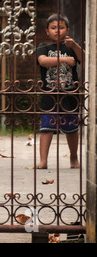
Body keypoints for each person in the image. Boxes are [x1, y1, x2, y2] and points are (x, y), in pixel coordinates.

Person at [36, 14, 83, 169]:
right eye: (53, 28)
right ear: (47, 31)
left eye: (61, 28)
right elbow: (43, 61)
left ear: (67, 30)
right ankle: (43, 161)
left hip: (69, 94)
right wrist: (63, 60)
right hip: (49, 93)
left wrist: (75, 45)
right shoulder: (43, 47)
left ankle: (74, 158)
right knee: (46, 127)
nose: (57, 31)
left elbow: (84, 57)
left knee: (72, 127)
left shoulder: (71, 48)